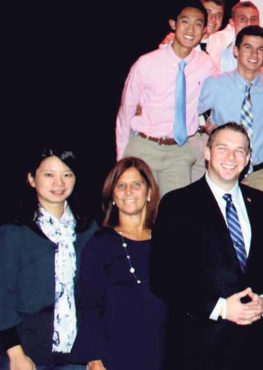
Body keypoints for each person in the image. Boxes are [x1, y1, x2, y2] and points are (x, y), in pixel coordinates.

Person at [149, 123, 263, 370]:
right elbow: (163, 277)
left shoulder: (262, 205)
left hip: (250, 350)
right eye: (223, 149)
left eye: (239, 151)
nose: (231, 157)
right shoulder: (177, 204)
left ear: (247, 159)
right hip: (196, 349)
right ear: (208, 153)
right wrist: (221, 308)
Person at [0, 147, 98, 370]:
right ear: (31, 179)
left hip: (77, 353)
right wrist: (16, 355)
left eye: (67, 174)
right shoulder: (15, 231)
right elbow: (1, 299)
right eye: (49, 174)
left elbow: (96, 296)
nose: (59, 183)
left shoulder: (88, 229)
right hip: (26, 353)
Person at [115, 1, 217, 194]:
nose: (190, 29)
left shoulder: (207, 65)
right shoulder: (146, 63)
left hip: (179, 151)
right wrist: (121, 160)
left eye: (198, 24)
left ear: (204, 30)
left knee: (175, 216)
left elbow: (218, 97)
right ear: (173, 24)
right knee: (140, 215)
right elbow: (125, 114)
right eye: (185, 22)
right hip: (144, 148)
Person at [76, 158, 167, 370]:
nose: (128, 191)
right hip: (115, 356)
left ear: (149, 192)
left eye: (136, 184)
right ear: (113, 196)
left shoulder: (167, 240)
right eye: (121, 185)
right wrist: (94, 358)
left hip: (163, 353)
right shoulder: (100, 244)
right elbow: (89, 305)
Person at [198, 25, 263, 198]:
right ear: (236, 51)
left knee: (262, 221)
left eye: (260, 50)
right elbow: (192, 113)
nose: (254, 54)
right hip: (221, 170)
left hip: (257, 173)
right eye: (248, 48)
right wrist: (206, 127)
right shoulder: (215, 84)